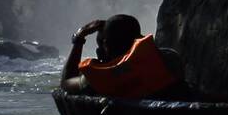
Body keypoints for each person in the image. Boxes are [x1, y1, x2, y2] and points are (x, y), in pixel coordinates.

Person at [59, 14, 191, 100]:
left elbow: (66, 82)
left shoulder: (95, 79)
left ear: (106, 45)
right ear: (139, 38)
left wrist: (79, 38)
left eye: (100, 45)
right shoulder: (169, 59)